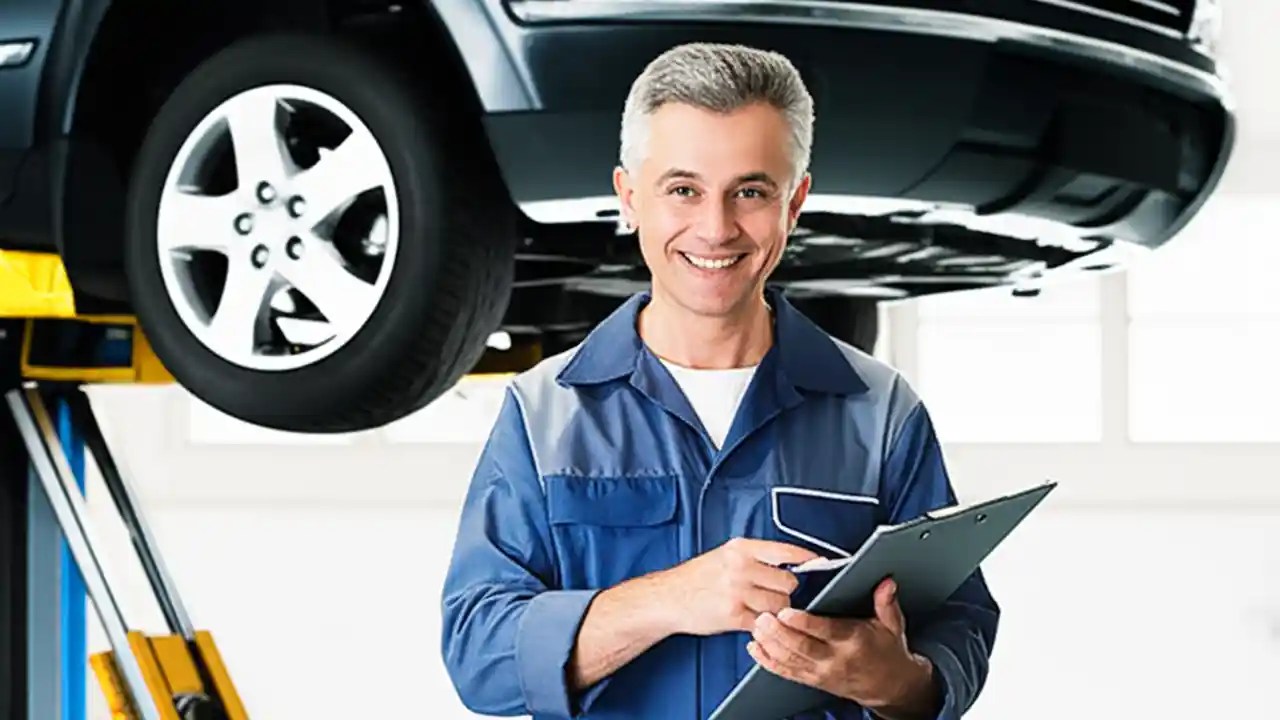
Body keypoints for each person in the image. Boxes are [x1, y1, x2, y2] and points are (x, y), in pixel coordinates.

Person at [440, 42, 999, 720]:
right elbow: (480, 657)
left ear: (794, 203)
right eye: (683, 190)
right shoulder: (545, 412)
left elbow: (959, 625)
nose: (716, 228)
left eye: (751, 192)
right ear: (629, 198)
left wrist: (898, 684)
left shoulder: (881, 413)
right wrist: (671, 599)